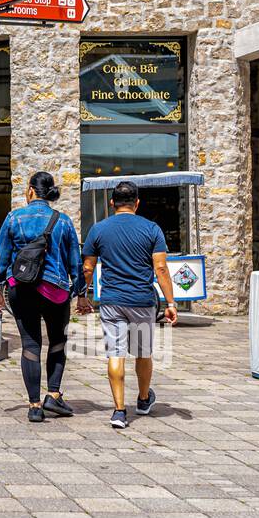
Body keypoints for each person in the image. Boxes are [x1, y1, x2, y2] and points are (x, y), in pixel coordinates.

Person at [79, 180, 177, 429]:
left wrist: (82, 295)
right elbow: (161, 268)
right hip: (142, 301)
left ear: (112, 203)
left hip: (112, 301)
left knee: (115, 353)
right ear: (137, 203)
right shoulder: (151, 229)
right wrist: (171, 302)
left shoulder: (98, 229)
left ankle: (119, 411)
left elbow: (88, 268)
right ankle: (144, 400)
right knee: (143, 352)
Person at [0, 171, 85, 423]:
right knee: (57, 342)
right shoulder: (62, 221)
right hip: (55, 290)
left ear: (31, 190)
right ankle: (53, 393)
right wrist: (81, 293)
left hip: (21, 289)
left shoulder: (13, 218)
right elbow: (75, 262)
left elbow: (1, 258)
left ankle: (34, 405)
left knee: (30, 345)